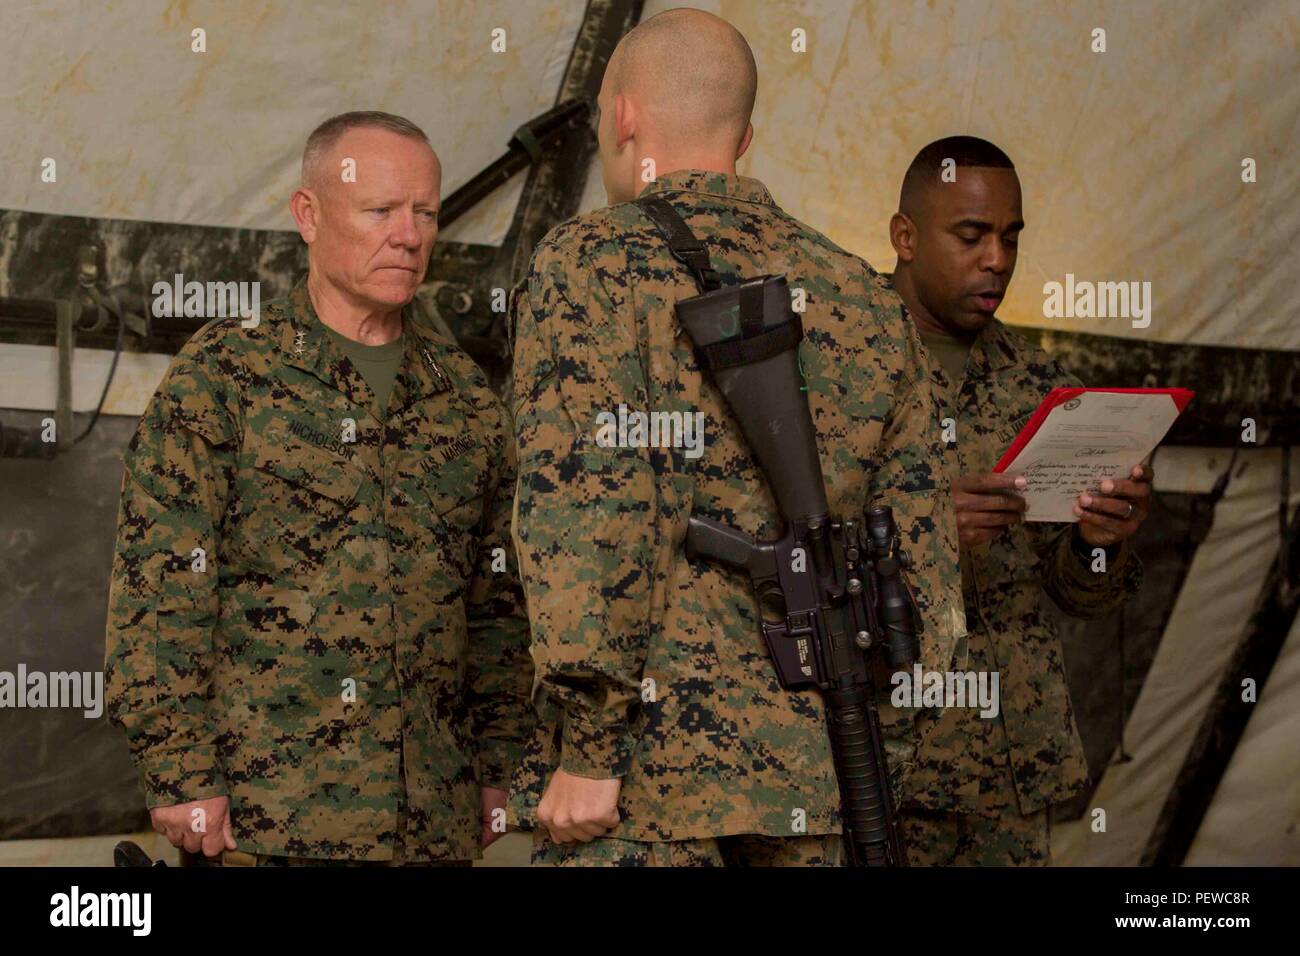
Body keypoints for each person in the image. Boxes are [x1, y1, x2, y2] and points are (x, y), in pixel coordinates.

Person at [506, 9, 965, 867]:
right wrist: (878, 752)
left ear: (625, 117)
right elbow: (922, 567)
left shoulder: (588, 265)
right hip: (830, 772)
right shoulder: (865, 297)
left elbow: (584, 509)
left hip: (647, 789)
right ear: (746, 136)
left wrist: (588, 748)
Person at [104, 111, 531, 866]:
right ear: (309, 214)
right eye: (380, 211)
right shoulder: (226, 377)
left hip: (431, 823)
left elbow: (495, 607)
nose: (408, 235)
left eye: (424, 213)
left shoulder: (465, 398)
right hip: (269, 822)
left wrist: (499, 767)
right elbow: (160, 587)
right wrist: (179, 770)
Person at [887, 135, 1150, 865]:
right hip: (875, 769)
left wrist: (1103, 542)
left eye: (1010, 237)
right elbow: (770, 556)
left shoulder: (1041, 389)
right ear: (904, 237)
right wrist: (928, 532)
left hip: (1007, 772)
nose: (996, 260)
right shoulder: (834, 369)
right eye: (970, 235)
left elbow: (1084, 598)